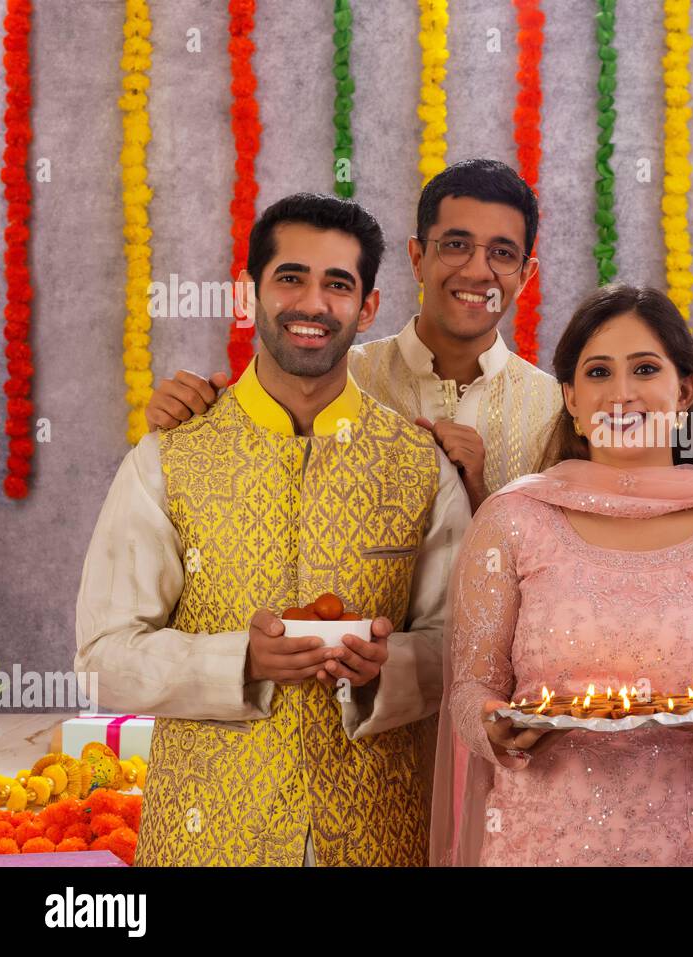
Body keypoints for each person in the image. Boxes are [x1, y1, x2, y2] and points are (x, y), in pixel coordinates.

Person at [75, 193, 472, 865]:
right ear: (251, 291)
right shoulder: (169, 458)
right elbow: (104, 656)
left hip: (381, 833)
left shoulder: (419, 466)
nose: (312, 303)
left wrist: (385, 669)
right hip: (208, 839)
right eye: (291, 277)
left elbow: (463, 649)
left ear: (367, 308)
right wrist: (240, 662)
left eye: (338, 284)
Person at [433, 284, 693, 866]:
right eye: (599, 372)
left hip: (691, 847)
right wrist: (493, 727)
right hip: (535, 846)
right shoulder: (512, 520)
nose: (622, 393)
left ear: (684, 390)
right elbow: (471, 689)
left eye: (644, 368)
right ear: (571, 398)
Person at [144, 159, 564, 513]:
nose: (477, 271)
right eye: (455, 245)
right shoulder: (332, 377)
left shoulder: (557, 411)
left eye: (503, 254)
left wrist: (478, 500)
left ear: (526, 276)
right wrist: (180, 423)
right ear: (417, 258)